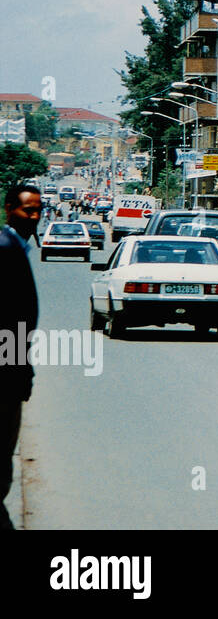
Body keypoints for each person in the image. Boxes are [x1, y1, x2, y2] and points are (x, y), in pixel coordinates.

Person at [1, 185, 41, 529]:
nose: (35, 217)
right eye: (28, 210)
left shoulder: (15, 246)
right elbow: (9, 321)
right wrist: (17, 371)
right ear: (8, 208)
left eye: (38, 210)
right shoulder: (5, 248)